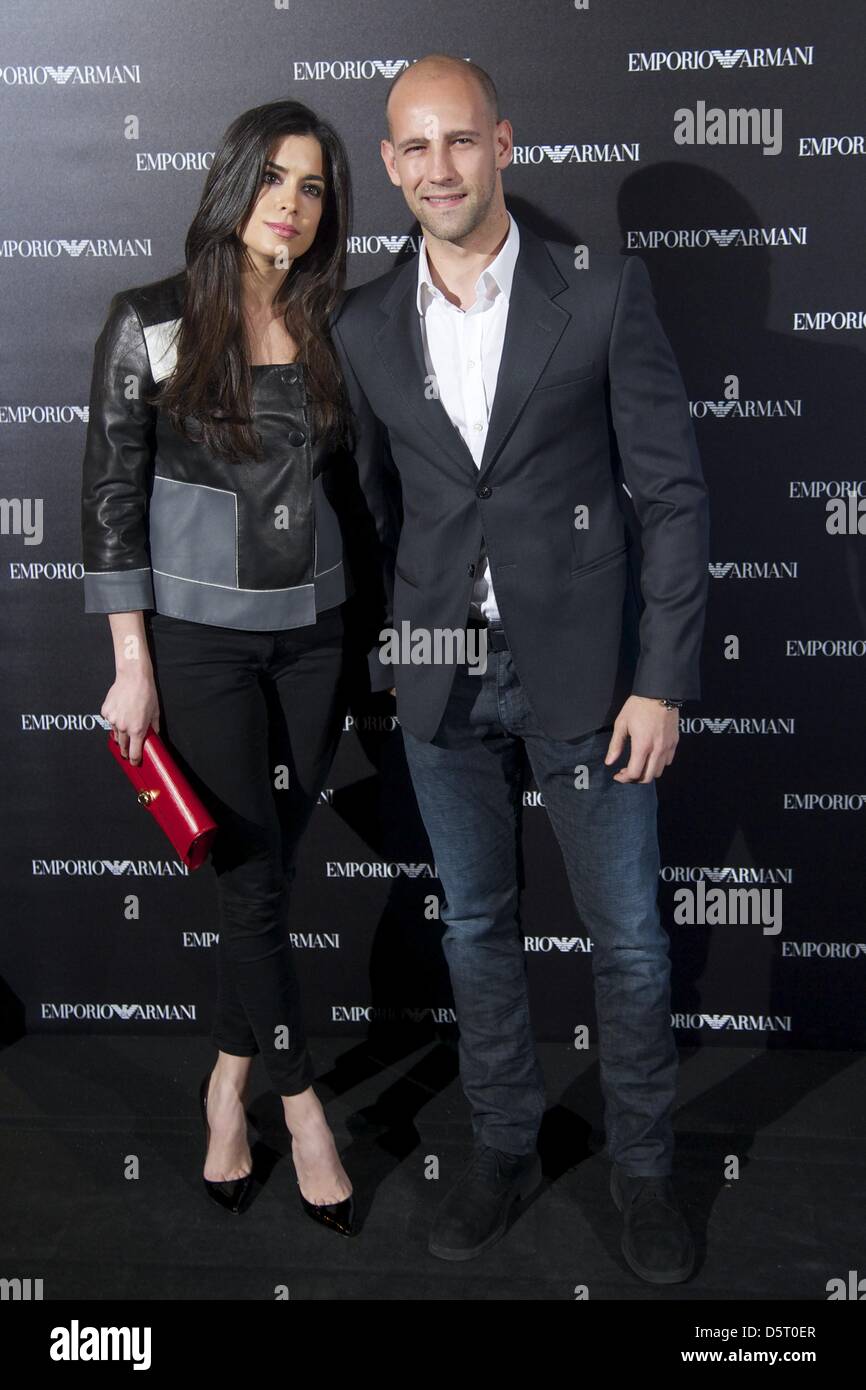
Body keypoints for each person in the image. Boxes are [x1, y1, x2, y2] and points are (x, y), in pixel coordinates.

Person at [330, 54, 710, 1280]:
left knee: (631, 943)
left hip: (593, 683)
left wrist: (658, 678)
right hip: (443, 679)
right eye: (413, 149)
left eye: (459, 141)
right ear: (389, 167)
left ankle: (645, 1171)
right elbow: (385, 512)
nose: (438, 168)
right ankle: (499, 1142)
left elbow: (670, 493)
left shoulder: (599, 295)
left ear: (502, 144)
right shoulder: (361, 324)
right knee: (478, 930)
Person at [80, 99, 382, 1236]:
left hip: (318, 636)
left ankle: (223, 1080)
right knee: (250, 880)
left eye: (312, 187)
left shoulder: (336, 327)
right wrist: (130, 661)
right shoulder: (148, 320)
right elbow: (110, 503)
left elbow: (361, 496)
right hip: (197, 643)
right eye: (274, 179)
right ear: (232, 184)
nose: (292, 205)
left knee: (265, 874)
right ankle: (298, 1105)